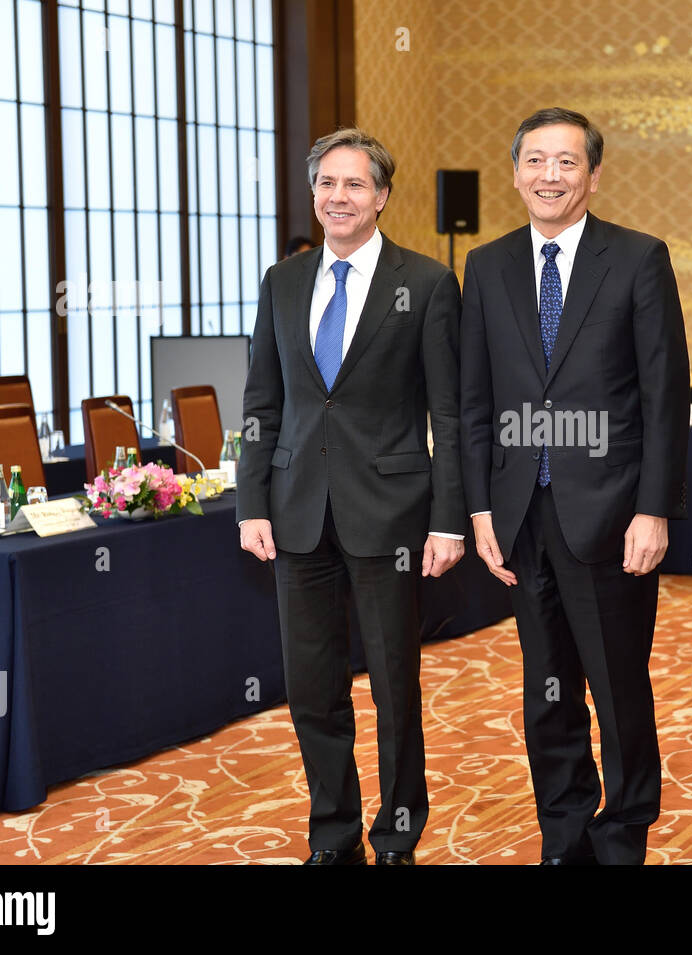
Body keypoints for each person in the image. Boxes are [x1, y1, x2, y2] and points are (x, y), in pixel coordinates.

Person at [460, 107, 689, 865]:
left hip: (613, 514)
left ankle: (622, 835)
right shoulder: (487, 267)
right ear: (516, 171)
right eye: (535, 161)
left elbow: (663, 397)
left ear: (593, 175)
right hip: (522, 513)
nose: (549, 176)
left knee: (618, 686)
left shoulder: (637, 258)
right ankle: (564, 835)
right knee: (547, 688)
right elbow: (474, 401)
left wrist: (655, 508)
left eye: (566, 163)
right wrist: (480, 505)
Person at [237, 128, 465, 866]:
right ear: (314, 193)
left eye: (355, 184)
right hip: (298, 515)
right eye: (327, 183)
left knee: (395, 691)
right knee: (313, 692)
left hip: (392, 518)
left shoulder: (426, 284)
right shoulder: (284, 281)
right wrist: (251, 503)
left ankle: (397, 836)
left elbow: (451, 414)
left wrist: (448, 520)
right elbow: (261, 405)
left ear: (382, 197)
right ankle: (333, 837)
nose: (339, 196)